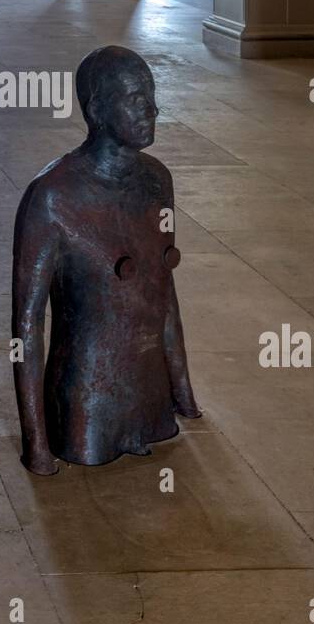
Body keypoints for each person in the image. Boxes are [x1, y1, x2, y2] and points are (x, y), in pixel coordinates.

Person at [11, 46, 200, 474]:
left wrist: (182, 393)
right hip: (87, 402)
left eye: (150, 94)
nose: (151, 108)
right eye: (135, 98)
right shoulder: (53, 197)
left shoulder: (157, 180)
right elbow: (26, 328)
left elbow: (163, 292)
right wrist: (36, 444)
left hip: (150, 394)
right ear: (97, 110)